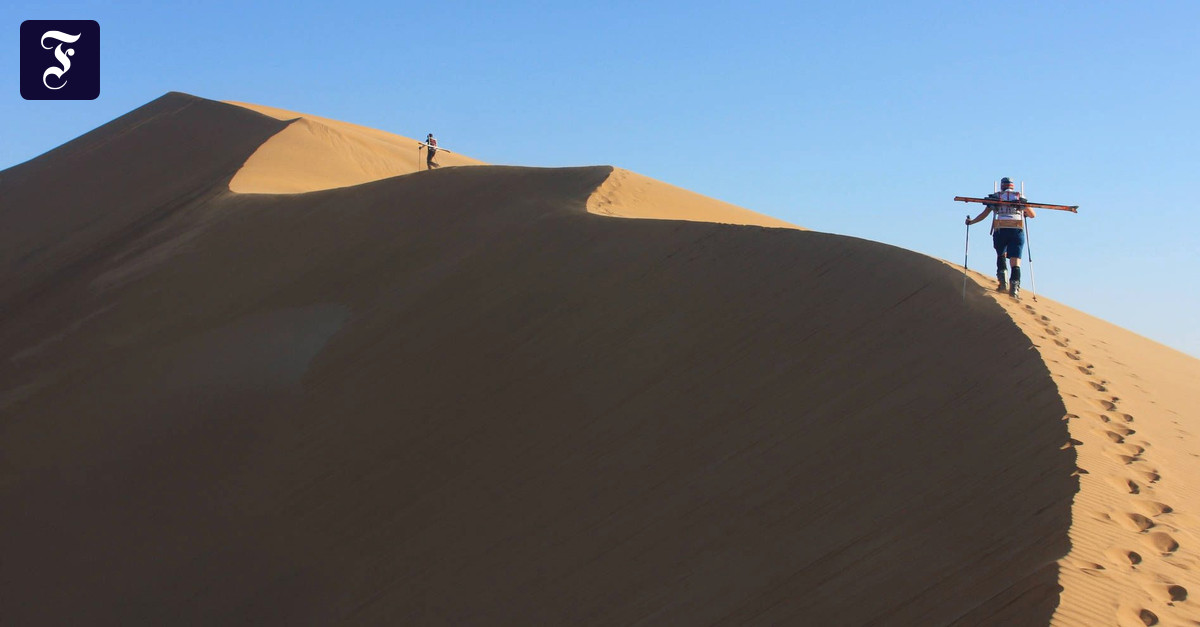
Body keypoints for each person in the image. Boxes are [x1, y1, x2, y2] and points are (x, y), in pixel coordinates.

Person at [966, 177, 1036, 298]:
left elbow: (984, 214)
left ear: (1002, 186)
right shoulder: (1020, 197)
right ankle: (1014, 291)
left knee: (1001, 255)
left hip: (1001, 229)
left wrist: (971, 222)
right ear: (1012, 186)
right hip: (1017, 230)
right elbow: (1032, 215)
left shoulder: (996, 197)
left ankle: (1003, 284)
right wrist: (1024, 209)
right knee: (1015, 262)